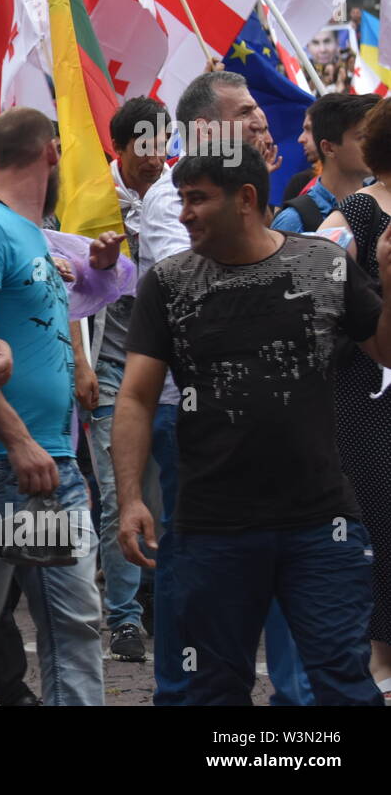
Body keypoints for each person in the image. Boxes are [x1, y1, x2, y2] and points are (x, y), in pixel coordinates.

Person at [115, 143, 387, 706]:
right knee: (213, 691)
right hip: (212, 526)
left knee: (342, 684)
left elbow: (385, 351)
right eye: (182, 198)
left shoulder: (324, 265)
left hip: (320, 524)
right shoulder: (167, 283)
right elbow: (137, 398)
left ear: (245, 199)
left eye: (196, 198)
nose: (183, 212)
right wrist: (130, 500)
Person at [139, 70, 315, 706]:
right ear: (205, 127)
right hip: (193, 418)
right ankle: (184, 693)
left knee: (282, 555)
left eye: (260, 113)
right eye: (245, 114)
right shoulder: (171, 201)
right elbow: (195, 294)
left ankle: (293, 698)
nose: (263, 122)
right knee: (193, 566)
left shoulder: (252, 198)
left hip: (256, 416)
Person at [0, 107, 109, 706]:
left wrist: (55, 449)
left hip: (47, 465)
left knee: (75, 627)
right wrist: (17, 441)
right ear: (54, 154)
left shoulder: (30, 232)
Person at [81, 96, 178, 664]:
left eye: (160, 143)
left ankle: (155, 598)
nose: (153, 156)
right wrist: (81, 362)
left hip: (166, 369)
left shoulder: (182, 191)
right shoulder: (92, 200)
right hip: (112, 363)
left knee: (162, 491)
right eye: (142, 146)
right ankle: (121, 619)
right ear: (118, 148)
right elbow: (66, 285)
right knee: (122, 488)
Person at [318, 97, 391, 698]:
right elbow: (323, 278)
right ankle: (379, 661)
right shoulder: (361, 210)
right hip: (371, 396)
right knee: (381, 521)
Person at [272, 94, 379, 233]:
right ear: (328, 148)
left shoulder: (383, 205)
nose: (376, 145)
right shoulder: (294, 222)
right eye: (363, 137)